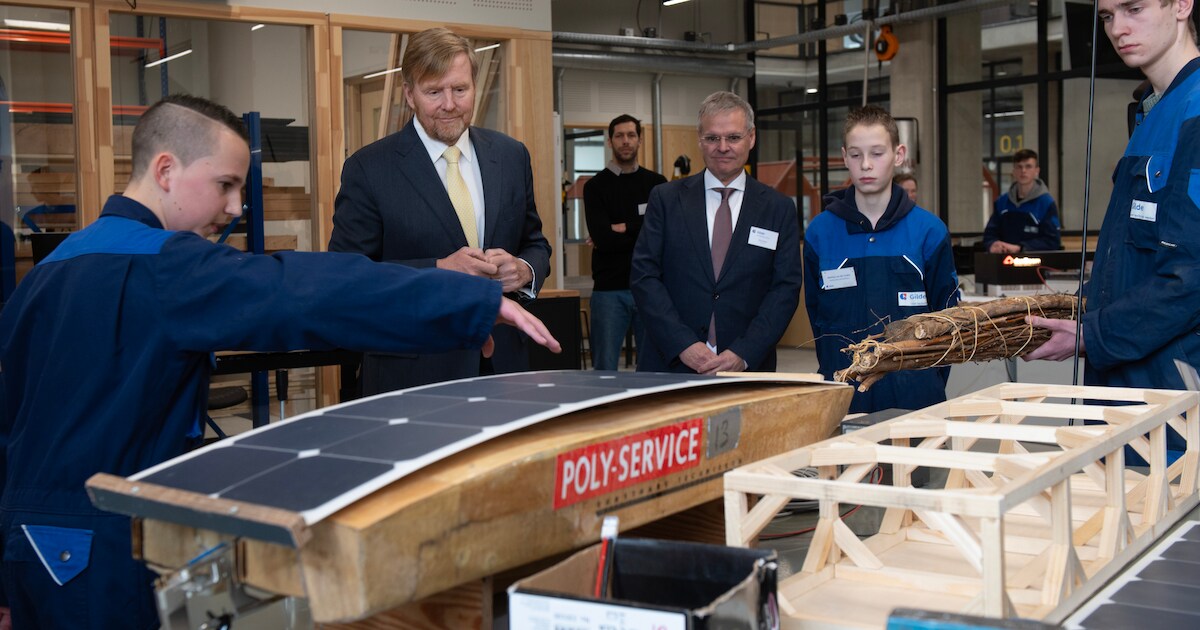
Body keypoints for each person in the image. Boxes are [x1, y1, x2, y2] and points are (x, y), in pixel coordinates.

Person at [0, 94, 560, 630]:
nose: (235, 209)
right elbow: (307, 290)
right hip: (105, 555)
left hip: (29, 550)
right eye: (224, 185)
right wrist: (470, 301)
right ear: (165, 170)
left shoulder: (49, 270)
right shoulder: (166, 268)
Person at [329, 27, 552, 395]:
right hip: (412, 375)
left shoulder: (511, 156)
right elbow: (346, 276)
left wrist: (524, 270)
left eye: (460, 90)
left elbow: (535, 242)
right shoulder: (369, 169)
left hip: (503, 371)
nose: (449, 104)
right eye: (434, 92)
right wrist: (438, 270)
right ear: (409, 94)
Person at [1026, 0, 1200, 458]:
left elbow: (1193, 276)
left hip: (1174, 392)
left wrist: (1092, 334)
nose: (1117, 28)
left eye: (1134, 9)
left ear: (1182, 4)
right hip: (1121, 383)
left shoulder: (1195, 111)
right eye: (1106, 16)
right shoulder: (1149, 111)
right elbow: (1133, 257)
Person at [630, 91, 802, 374]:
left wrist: (744, 352)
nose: (723, 147)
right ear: (700, 139)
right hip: (671, 364)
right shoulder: (665, 199)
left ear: (751, 138)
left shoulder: (778, 208)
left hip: (747, 369)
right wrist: (683, 344)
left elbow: (784, 289)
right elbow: (644, 276)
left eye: (733, 137)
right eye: (712, 138)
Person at [804, 105, 960, 413]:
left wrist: (924, 380)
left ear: (898, 155)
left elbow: (948, 321)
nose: (866, 165)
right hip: (844, 396)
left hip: (917, 398)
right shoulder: (820, 232)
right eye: (856, 154)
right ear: (844, 157)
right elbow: (816, 316)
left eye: (877, 153)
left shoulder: (928, 231)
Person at [583, 115, 667, 371]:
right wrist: (642, 232)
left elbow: (664, 234)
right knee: (605, 368)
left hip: (650, 288)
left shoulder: (658, 185)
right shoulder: (595, 187)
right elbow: (604, 240)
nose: (626, 141)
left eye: (631, 135)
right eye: (619, 136)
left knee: (653, 368)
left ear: (640, 140)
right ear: (610, 141)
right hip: (609, 290)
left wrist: (626, 227)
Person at [982, 148, 1062, 253]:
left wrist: (1020, 248)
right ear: (1013, 171)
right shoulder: (1002, 202)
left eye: (1028, 166)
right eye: (1019, 167)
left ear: (1037, 171)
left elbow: (1052, 241)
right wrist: (992, 245)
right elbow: (990, 234)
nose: (1023, 171)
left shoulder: (1046, 203)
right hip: (1003, 262)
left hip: (1035, 264)